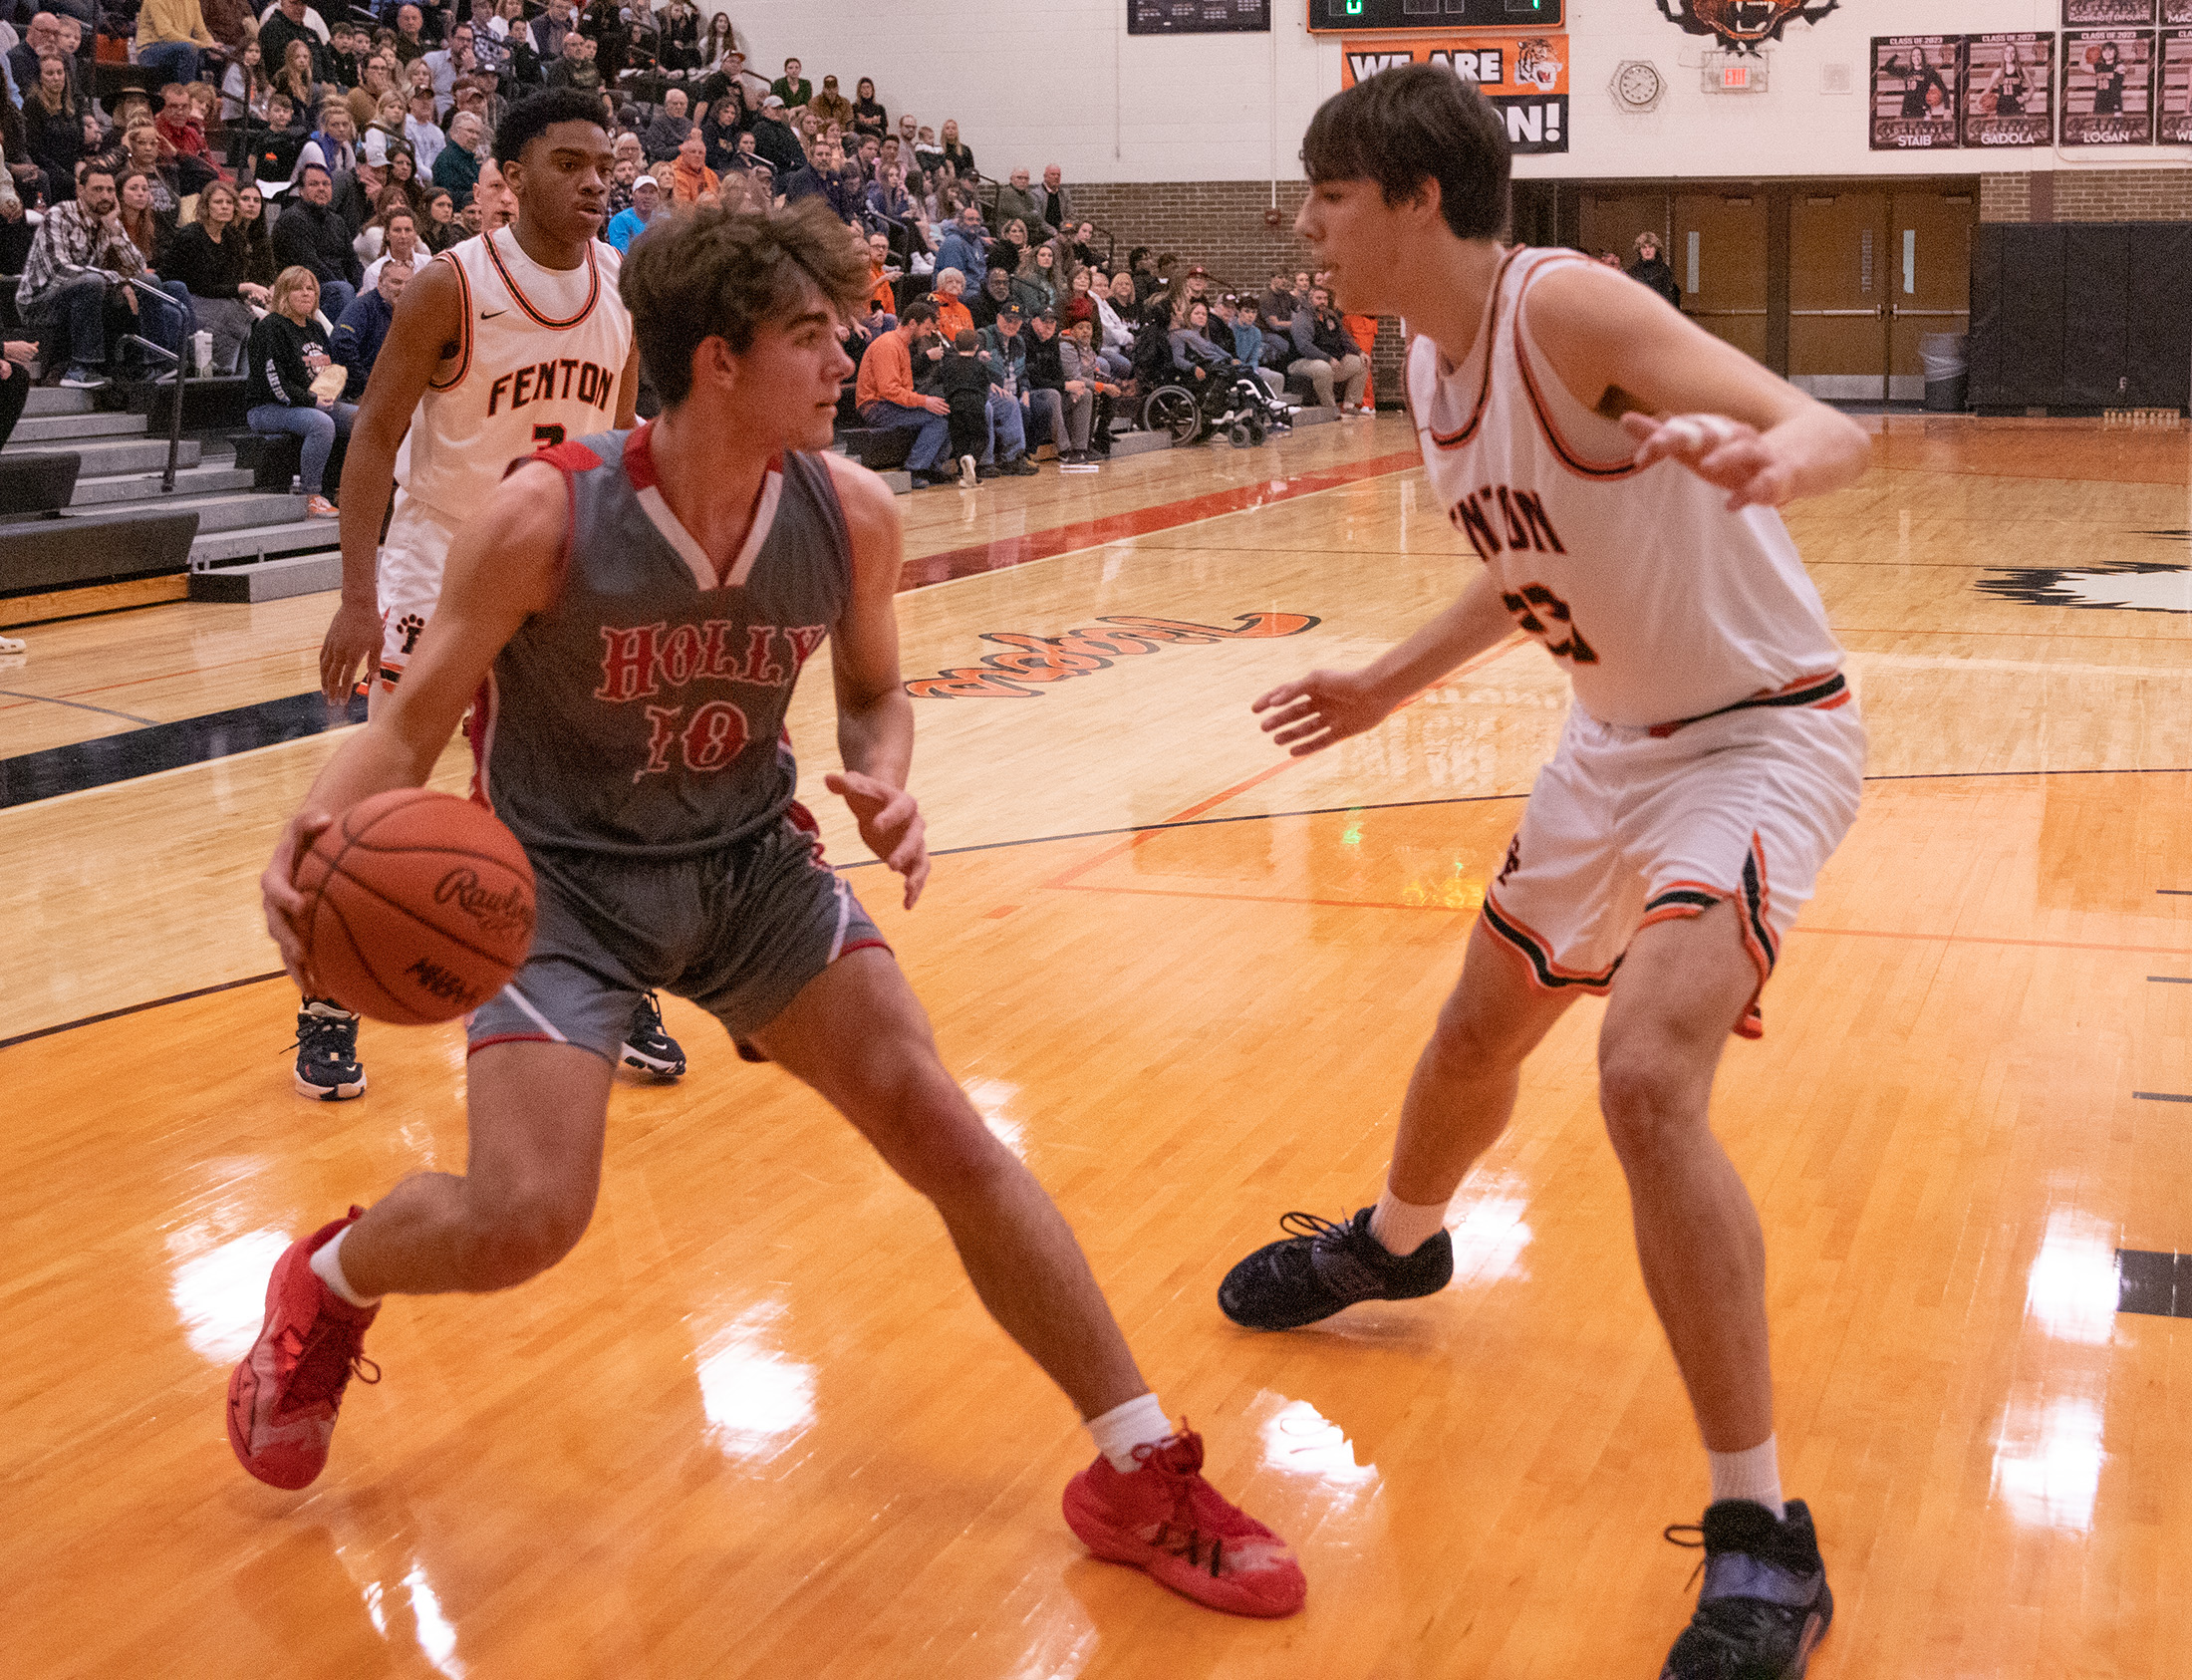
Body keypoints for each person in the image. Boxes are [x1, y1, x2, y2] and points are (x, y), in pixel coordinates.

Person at [236, 195, 1306, 1622]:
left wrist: (886, 776)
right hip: (560, 890)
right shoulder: (547, 515)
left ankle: (1137, 1465)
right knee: (525, 1220)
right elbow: (417, 722)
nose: (844, 355)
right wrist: (319, 823)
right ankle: (328, 1274)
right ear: (719, 360)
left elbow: (873, 690)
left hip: (748, 865)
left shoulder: (847, 512)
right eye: (813, 335)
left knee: (946, 1126)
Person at [1220, 65, 1867, 1680]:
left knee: (1647, 1074)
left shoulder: (1559, 308)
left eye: (1329, 197)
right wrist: (1385, 680)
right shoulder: (1435, 370)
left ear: (1415, 197)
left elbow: (1827, 421)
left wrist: (1777, 458)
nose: (1310, 227)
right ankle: (1398, 1238)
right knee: (1473, 1033)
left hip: (1756, 736)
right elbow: (1532, 567)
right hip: (1607, 749)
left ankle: (1762, 1538)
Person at [307, 87, 669, 1103]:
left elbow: (623, 443)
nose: (595, 179)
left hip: (558, 561)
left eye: (603, 161)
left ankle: (603, 980)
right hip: (440, 558)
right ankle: (330, 992)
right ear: (506, 178)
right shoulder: (449, 286)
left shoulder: (623, 284)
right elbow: (371, 436)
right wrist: (356, 593)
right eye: (568, 162)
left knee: (581, 789)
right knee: (395, 772)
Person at [15, 161, 152, 388]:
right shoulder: (59, 215)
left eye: (109, 190)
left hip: (82, 296)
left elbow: (139, 267)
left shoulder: (108, 221)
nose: (105, 196)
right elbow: (60, 268)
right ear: (81, 191)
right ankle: (80, 369)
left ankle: (150, 364)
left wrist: (116, 234)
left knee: (149, 282)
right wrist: (118, 281)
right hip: (39, 303)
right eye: (98, 190)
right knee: (91, 281)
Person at [246, 265, 356, 515]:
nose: (306, 294)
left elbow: (327, 370)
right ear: (284, 294)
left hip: (310, 401)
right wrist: (311, 400)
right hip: (268, 407)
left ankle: (349, 488)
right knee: (321, 423)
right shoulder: (271, 327)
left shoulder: (315, 328)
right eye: (298, 289)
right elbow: (274, 382)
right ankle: (311, 495)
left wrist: (332, 393)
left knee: (361, 418)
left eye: (310, 289)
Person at [161, 178, 270, 373]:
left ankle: (242, 377)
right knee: (235, 313)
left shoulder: (231, 237)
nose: (225, 207)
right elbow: (201, 285)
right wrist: (244, 288)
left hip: (214, 299)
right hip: (185, 299)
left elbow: (232, 281)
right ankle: (222, 371)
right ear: (205, 206)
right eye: (218, 202)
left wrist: (247, 294)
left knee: (252, 312)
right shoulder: (191, 236)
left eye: (229, 203)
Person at [853, 298, 956, 486]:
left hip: (888, 403)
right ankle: (914, 469)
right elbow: (889, 390)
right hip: (876, 406)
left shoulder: (901, 345)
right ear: (912, 323)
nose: (927, 334)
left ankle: (933, 467)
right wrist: (924, 401)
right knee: (938, 419)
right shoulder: (888, 344)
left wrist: (925, 401)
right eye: (926, 329)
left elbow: (902, 390)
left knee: (948, 410)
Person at [273, 161, 361, 321]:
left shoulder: (337, 221)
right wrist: (347, 287)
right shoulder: (292, 219)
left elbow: (352, 262)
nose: (321, 188)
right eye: (314, 184)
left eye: (326, 184)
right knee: (343, 290)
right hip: (303, 287)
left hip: (337, 287)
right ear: (301, 190)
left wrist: (364, 289)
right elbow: (310, 265)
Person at [328, 254, 406, 397]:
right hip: (359, 394)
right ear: (380, 281)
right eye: (396, 282)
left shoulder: (408, 312)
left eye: (409, 283)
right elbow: (342, 343)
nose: (403, 289)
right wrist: (368, 383)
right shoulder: (362, 307)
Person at [1288, 283, 1366, 411]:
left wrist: (1360, 352)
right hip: (1301, 362)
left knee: (1361, 363)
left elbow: (1344, 337)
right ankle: (1330, 408)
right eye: (1318, 298)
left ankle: (1349, 406)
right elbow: (1304, 346)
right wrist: (1327, 358)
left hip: (1329, 360)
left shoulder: (1330, 315)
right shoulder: (1303, 317)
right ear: (1310, 300)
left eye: (1325, 298)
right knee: (1323, 367)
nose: (1322, 302)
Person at [136, 0, 217, 92]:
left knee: (224, 52)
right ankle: (187, 94)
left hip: (182, 46)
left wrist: (212, 46)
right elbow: (166, 34)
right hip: (150, 49)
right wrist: (203, 45)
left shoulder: (193, 1)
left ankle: (214, 97)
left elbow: (201, 32)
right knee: (189, 48)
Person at [604, 169, 660, 249]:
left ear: (658, 196)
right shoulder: (620, 221)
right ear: (633, 195)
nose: (647, 196)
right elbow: (622, 254)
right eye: (642, 192)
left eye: (652, 192)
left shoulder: (665, 219)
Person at [665, 125, 714, 206]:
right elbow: (684, 208)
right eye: (693, 152)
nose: (697, 156)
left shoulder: (710, 174)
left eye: (700, 153)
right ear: (684, 154)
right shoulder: (674, 174)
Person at [1628, 231, 1679, 309]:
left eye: (1651, 247)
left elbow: (1671, 299)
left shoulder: (1664, 271)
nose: (1647, 250)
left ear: (1656, 249)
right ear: (1639, 250)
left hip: (1659, 313)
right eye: (1644, 247)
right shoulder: (1633, 271)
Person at [643, 86, 690, 160]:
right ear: (667, 105)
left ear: (686, 106)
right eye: (675, 103)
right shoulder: (658, 124)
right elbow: (659, 153)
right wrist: (682, 148)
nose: (678, 107)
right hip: (664, 166)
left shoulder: (690, 124)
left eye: (682, 104)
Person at [850, 76, 886, 141]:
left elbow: (884, 130)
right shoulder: (854, 108)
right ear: (859, 91)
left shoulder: (880, 108)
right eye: (863, 88)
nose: (866, 90)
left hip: (877, 142)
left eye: (868, 87)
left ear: (872, 89)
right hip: (860, 142)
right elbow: (852, 129)